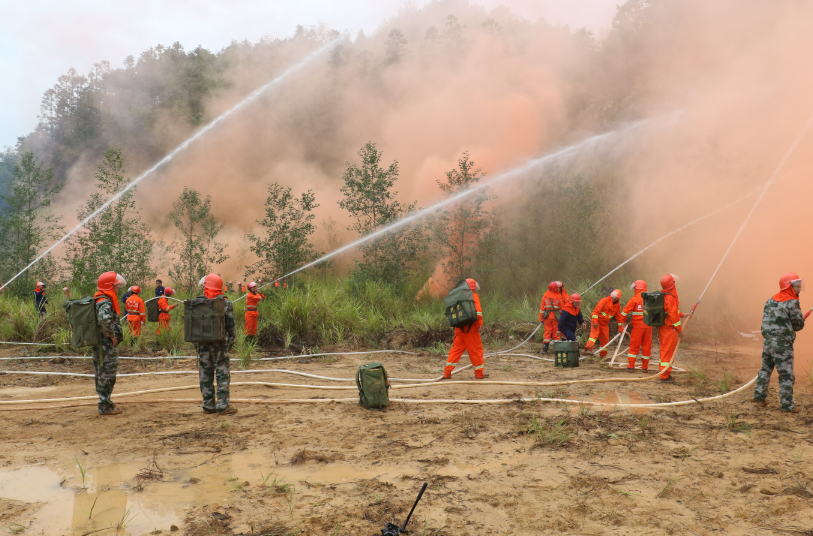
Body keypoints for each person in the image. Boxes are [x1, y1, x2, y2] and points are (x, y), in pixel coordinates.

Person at [753, 273, 805, 412]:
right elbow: (799, 325)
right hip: (782, 344)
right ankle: (787, 405)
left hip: (768, 342)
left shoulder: (770, 300)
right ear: (788, 286)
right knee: (786, 374)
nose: (799, 289)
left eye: (800, 286)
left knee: (765, 369)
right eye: (797, 286)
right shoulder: (792, 302)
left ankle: (759, 397)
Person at [197, 273, 237, 414]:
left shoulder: (198, 302)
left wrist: (198, 346)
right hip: (220, 344)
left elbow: (193, 327)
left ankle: (208, 405)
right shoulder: (225, 303)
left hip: (203, 345)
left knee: (205, 374)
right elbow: (231, 327)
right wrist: (228, 344)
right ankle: (222, 405)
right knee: (222, 373)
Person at [93, 271, 126, 415]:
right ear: (110, 287)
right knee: (107, 373)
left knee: (103, 372)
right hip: (105, 344)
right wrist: (112, 336)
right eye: (117, 286)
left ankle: (105, 401)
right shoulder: (105, 301)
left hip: (102, 343)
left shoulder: (100, 299)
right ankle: (104, 406)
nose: (118, 289)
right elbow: (104, 320)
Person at [443, 278, 488, 380]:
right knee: (476, 350)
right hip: (471, 329)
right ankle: (479, 374)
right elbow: (478, 312)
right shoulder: (473, 296)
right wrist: (480, 324)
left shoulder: (457, 297)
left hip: (459, 329)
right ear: (473, 287)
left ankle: (447, 372)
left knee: (455, 350)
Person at [657, 274, 690, 382]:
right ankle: (664, 376)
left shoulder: (664, 295)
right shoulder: (670, 297)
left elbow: (671, 311)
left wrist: (682, 314)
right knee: (668, 351)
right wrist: (679, 330)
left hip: (663, 327)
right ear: (672, 285)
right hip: (669, 328)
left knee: (664, 350)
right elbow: (673, 316)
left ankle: (664, 372)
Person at [622, 280, 652, 372]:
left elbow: (624, 312)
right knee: (646, 346)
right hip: (649, 326)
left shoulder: (634, 299)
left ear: (637, 288)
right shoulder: (651, 298)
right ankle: (645, 367)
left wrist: (623, 323)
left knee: (635, 345)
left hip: (638, 327)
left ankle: (631, 366)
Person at [584, 289, 624, 357]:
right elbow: (595, 312)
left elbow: (619, 317)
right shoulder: (604, 301)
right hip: (597, 322)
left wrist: (620, 328)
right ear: (612, 296)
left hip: (605, 324)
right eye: (614, 297)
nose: (615, 299)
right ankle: (587, 350)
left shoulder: (617, 306)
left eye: (617, 298)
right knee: (594, 336)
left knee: (605, 340)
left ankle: (603, 355)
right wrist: (595, 321)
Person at [539, 281, 568, 353]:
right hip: (556, 318)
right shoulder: (559, 297)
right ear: (556, 288)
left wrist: (541, 318)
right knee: (556, 333)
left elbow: (542, 309)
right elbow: (562, 309)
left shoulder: (545, 296)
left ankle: (545, 349)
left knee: (547, 333)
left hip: (547, 318)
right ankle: (557, 350)